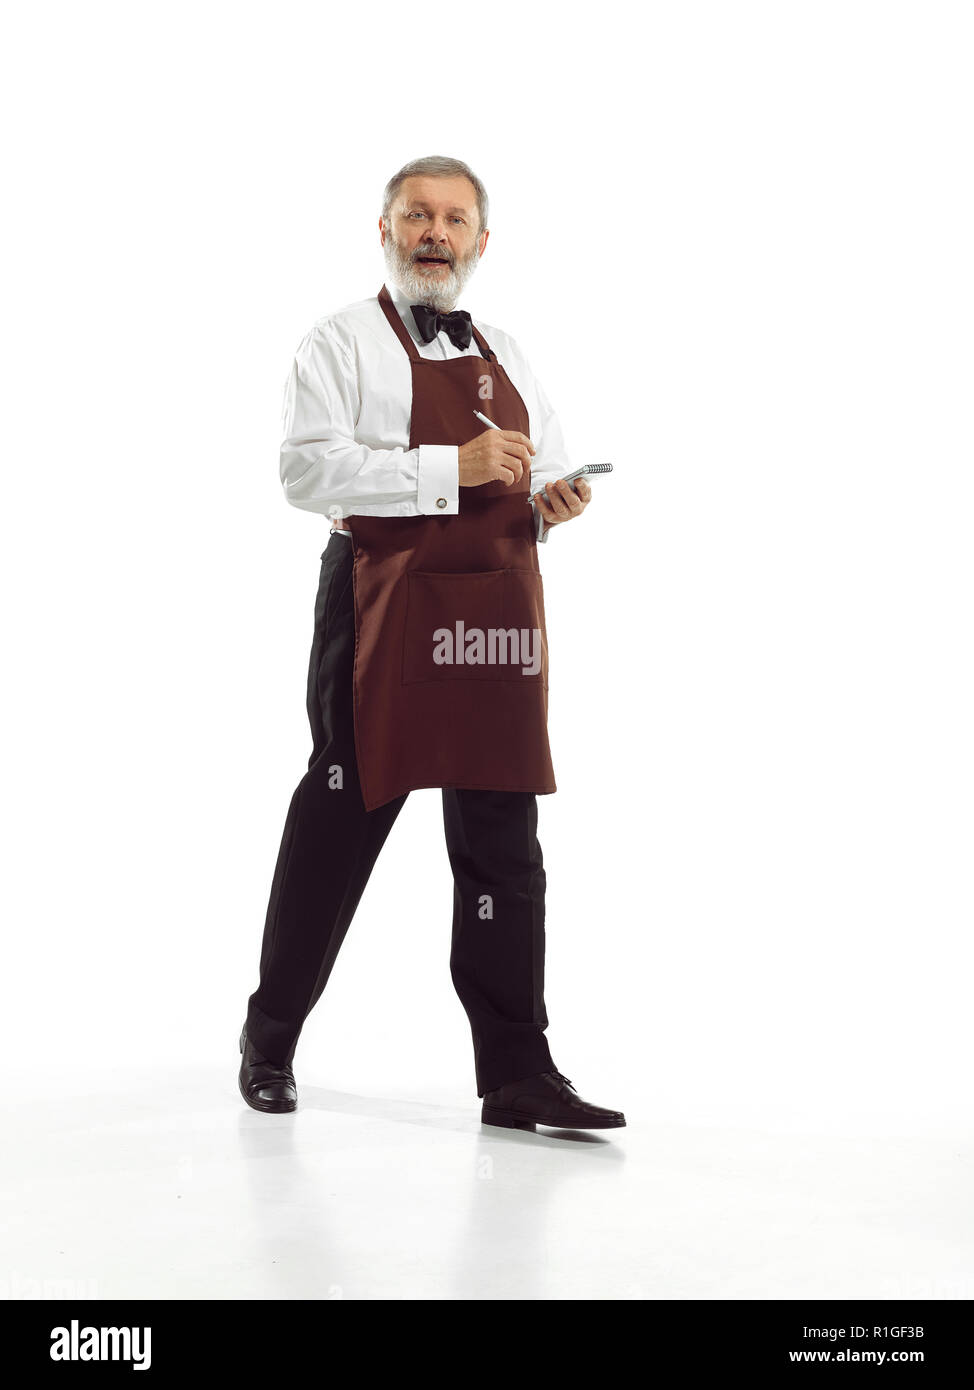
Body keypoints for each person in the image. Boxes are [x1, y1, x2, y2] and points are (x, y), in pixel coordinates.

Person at [239, 155, 625, 1132]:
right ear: (384, 229)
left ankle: (516, 1071)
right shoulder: (334, 343)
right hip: (380, 604)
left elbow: (551, 461)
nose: (434, 232)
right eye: (417, 214)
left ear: (480, 242)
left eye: (454, 219)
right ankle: (270, 1037)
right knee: (342, 816)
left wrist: (556, 498)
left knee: (503, 840)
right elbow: (303, 472)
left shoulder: (506, 349)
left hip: (492, 613)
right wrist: (443, 467)